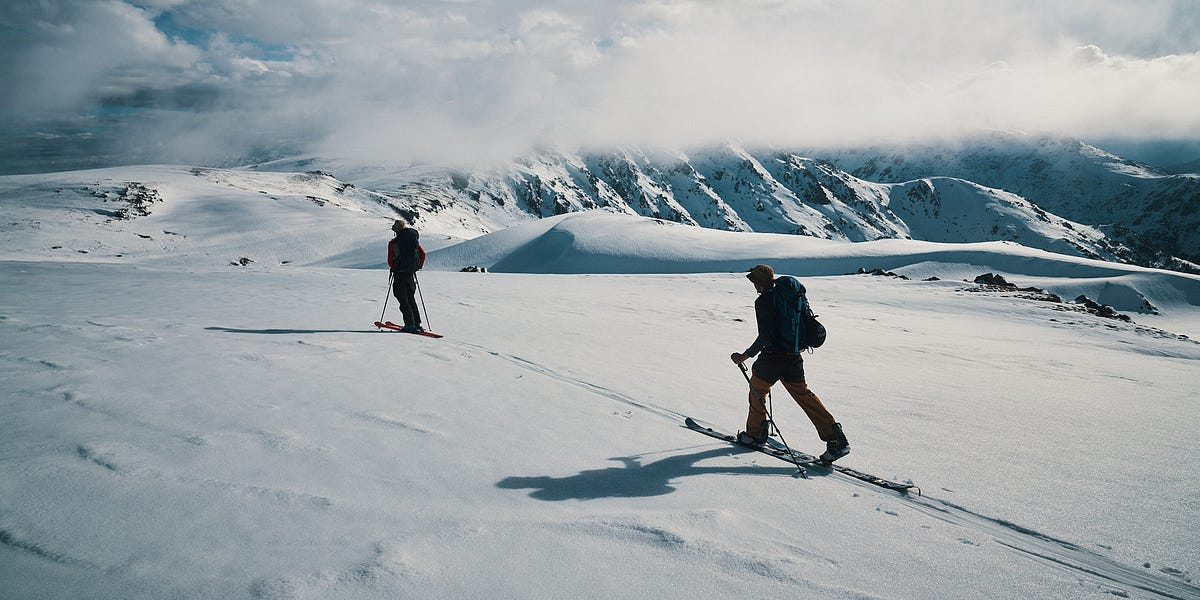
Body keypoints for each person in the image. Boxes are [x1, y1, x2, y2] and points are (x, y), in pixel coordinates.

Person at [729, 264, 850, 463]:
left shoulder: (765, 300)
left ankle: (754, 435)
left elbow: (765, 336)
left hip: (773, 358)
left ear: (761, 282)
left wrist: (744, 356)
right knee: (804, 395)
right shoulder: (791, 296)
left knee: (757, 390)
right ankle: (836, 439)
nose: (754, 286)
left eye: (755, 282)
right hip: (794, 356)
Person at [387, 219, 426, 332]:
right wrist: (417, 267)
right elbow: (423, 254)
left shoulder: (393, 243)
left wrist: (395, 266)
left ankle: (409, 325)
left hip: (399, 273)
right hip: (410, 273)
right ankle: (417, 324)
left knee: (402, 299)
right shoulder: (413, 240)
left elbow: (390, 261)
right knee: (410, 298)